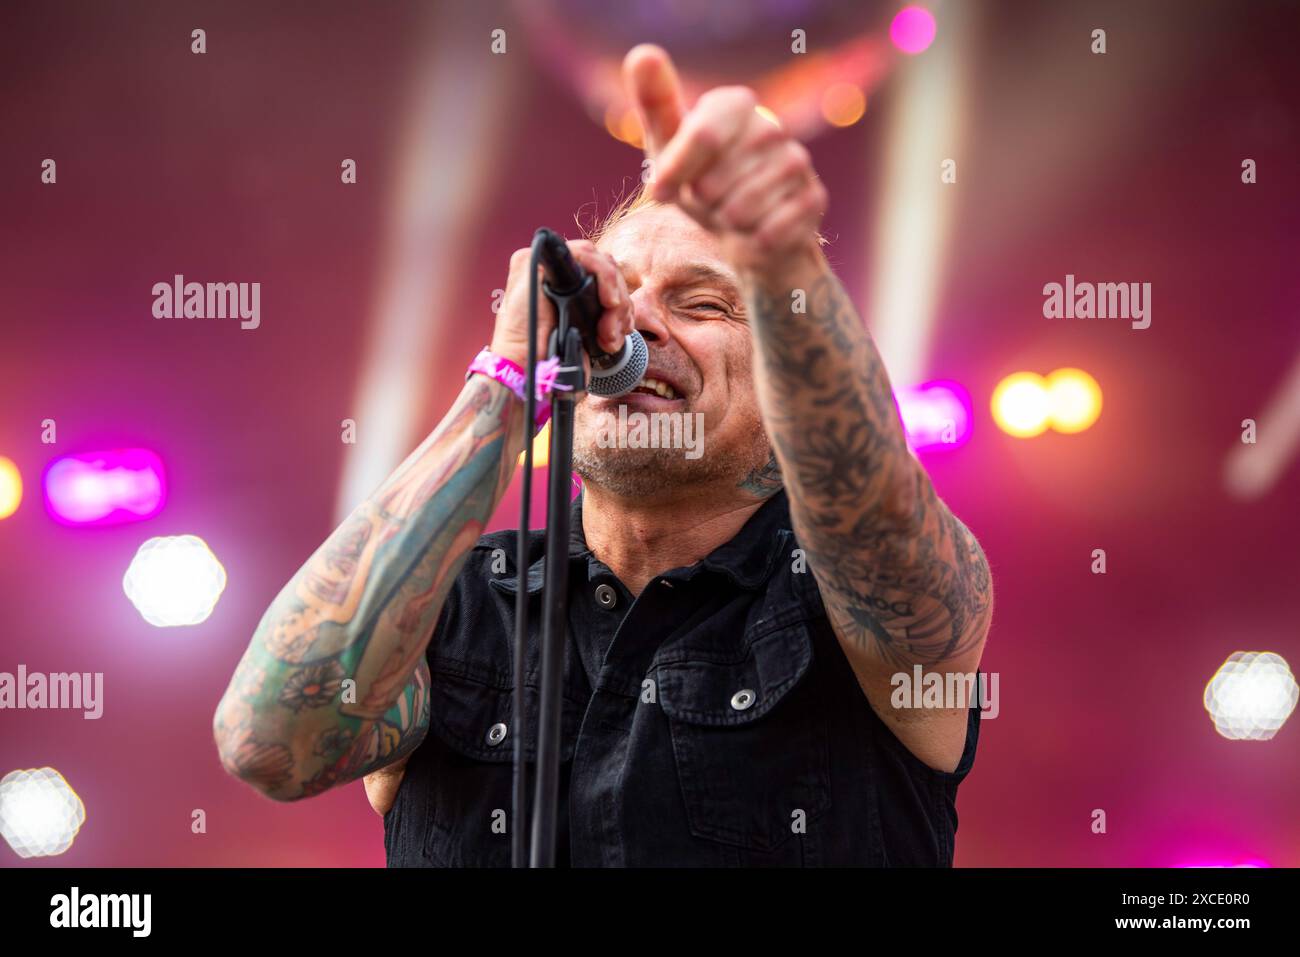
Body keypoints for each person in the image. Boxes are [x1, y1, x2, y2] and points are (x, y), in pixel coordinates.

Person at [213, 45, 993, 866]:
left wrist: (783, 263)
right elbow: (273, 741)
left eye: (704, 303)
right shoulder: (455, 604)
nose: (638, 325)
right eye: (617, 297)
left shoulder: (844, 604)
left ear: (786, 390)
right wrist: (508, 377)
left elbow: (882, 522)